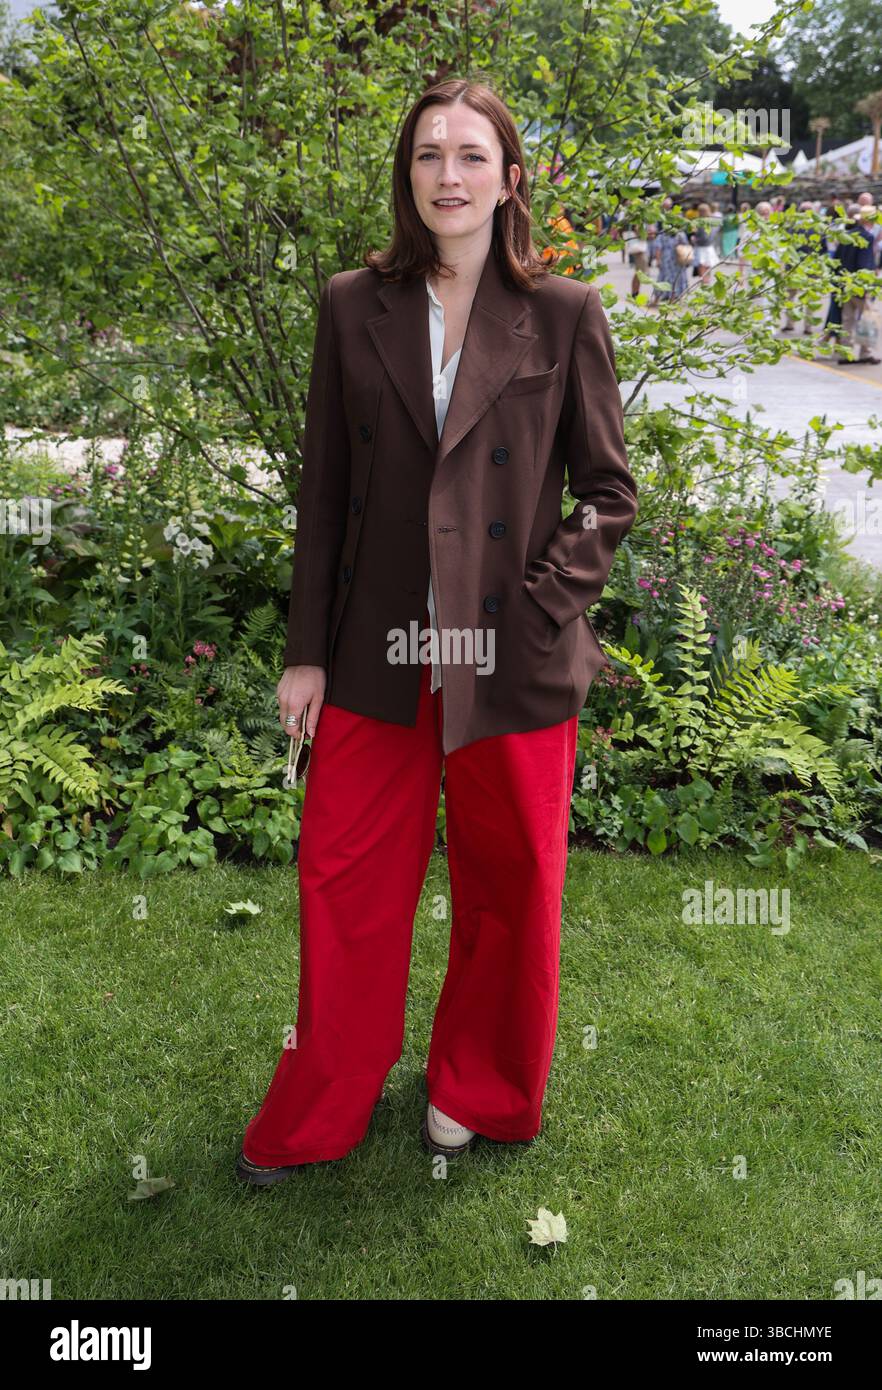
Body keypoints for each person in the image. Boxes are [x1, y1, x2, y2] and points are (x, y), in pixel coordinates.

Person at [236, 78, 639, 1184]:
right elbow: (326, 492)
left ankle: (480, 1090)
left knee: (514, 889)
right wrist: (306, 650)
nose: (447, 175)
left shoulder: (561, 312)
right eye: (426, 156)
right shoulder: (348, 303)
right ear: (406, 177)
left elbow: (608, 492)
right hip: (378, 649)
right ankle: (323, 1104)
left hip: (509, 657)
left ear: (509, 180)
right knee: (344, 880)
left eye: (470, 155)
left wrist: (545, 606)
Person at [834, 204, 880, 365]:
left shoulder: (847, 235)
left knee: (847, 320)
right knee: (869, 317)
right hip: (859, 285)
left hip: (845, 283)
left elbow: (836, 260)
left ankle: (845, 353)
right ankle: (865, 352)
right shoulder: (867, 237)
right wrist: (867, 285)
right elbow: (864, 264)